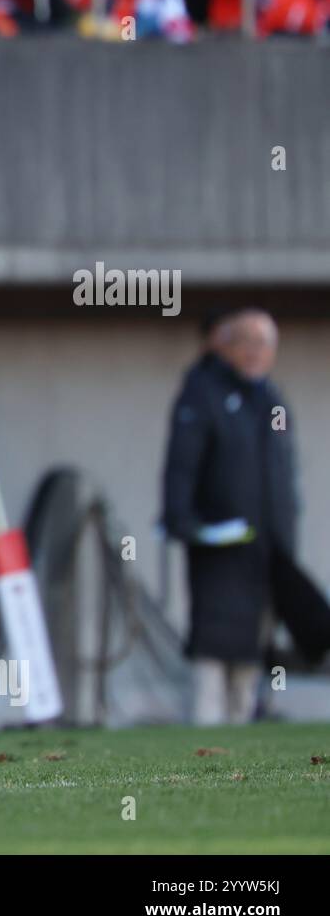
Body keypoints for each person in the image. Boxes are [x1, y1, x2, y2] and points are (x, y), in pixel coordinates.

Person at [162, 308, 297, 726]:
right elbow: (181, 466)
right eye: (247, 342)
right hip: (217, 548)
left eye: (265, 344)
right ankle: (203, 735)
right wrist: (181, 519)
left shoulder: (272, 400)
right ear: (228, 347)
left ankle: (243, 734)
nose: (255, 352)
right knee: (213, 644)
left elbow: (284, 478)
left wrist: (286, 541)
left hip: (266, 551)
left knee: (253, 648)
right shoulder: (203, 393)